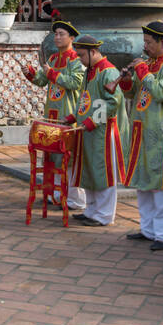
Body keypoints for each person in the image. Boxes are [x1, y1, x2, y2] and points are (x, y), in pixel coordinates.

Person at [119, 21, 163, 251]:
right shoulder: (149, 64)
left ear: (162, 42)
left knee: (161, 185)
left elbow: (161, 92)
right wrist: (126, 80)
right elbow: (132, 93)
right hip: (141, 131)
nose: (145, 46)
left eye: (149, 42)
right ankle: (148, 229)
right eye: (145, 42)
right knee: (143, 183)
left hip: (161, 133)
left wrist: (143, 72)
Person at [63, 35, 125, 228]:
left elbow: (113, 103)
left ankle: (105, 214)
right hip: (88, 130)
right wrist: (74, 116)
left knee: (103, 172)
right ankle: (91, 209)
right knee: (89, 170)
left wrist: (91, 121)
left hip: (103, 132)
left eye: (82, 55)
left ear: (93, 52)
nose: (80, 59)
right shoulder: (91, 71)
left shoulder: (108, 71)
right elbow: (84, 99)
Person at [24, 19, 87, 208]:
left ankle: (75, 199)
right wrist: (30, 73)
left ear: (72, 38)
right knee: (52, 156)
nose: (57, 37)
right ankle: (55, 194)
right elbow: (42, 80)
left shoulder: (77, 60)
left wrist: (52, 74)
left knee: (68, 157)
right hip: (52, 114)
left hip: (68, 115)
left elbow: (75, 82)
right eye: (56, 34)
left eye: (61, 34)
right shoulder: (53, 59)